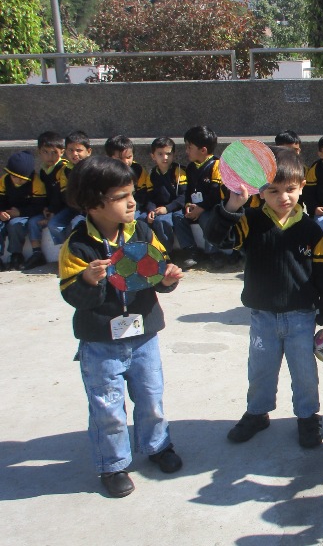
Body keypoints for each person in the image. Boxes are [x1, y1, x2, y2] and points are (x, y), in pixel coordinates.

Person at [58, 156, 185, 498]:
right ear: (93, 203)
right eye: (121, 196)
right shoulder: (78, 245)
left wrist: (168, 279)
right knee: (108, 407)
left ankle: (157, 446)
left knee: (151, 397)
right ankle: (113, 465)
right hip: (100, 342)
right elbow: (71, 294)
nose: (132, 202)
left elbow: (159, 270)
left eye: (132, 193)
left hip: (143, 337)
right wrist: (88, 280)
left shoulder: (141, 232)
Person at [206, 147, 323, 448]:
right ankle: (257, 413)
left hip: (301, 317)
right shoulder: (250, 221)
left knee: (304, 373)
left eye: (290, 189)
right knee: (260, 370)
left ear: (302, 187)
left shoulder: (311, 230)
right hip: (263, 317)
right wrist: (232, 206)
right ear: (261, 191)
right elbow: (218, 238)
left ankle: (308, 416)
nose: (283, 197)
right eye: (273, 191)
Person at [172, 126, 225, 269]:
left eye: (189, 147)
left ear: (203, 150)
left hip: (209, 207)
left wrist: (201, 208)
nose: (186, 151)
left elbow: (215, 193)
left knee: (207, 218)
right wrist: (188, 205)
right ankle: (191, 250)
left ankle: (214, 252)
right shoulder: (190, 168)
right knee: (178, 217)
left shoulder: (217, 165)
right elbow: (188, 190)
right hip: (195, 206)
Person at [24, 131, 69, 269]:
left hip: (65, 207)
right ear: (39, 152)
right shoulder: (43, 170)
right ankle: (37, 253)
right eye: (45, 152)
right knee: (33, 222)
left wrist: (52, 212)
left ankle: (67, 254)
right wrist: (46, 209)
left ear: (62, 152)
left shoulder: (63, 169)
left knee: (55, 224)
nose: (50, 156)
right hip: (50, 208)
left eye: (54, 152)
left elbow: (60, 196)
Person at [0, 151, 45, 271]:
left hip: (27, 213)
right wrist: (1, 212)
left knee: (15, 225)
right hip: (8, 213)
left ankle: (16, 254)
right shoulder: (4, 180)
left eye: (22, 179)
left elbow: (39, 206)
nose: (17, 181)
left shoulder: (36, 182)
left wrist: (20, 213)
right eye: (14, 177)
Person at [144, 137, 186, 253]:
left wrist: (167, 208)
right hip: (160, 208)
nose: (165, 157)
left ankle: (174, 252)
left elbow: (184, 195)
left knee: (166, 220)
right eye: (160, 154)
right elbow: (149, 197)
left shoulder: (179, 171)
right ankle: (158, 252)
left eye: (168, 154)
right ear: (153, 156)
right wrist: (151, 210)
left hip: (176, 207)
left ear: (174, 155)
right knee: (146, 220)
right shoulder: (151, 174)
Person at [104, 135, 148, 215]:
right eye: (120, 158)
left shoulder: (138, 170)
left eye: (129, 157)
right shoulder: (104, 172)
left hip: (134, 206)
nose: (125, 162)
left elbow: (142, 193)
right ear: (109, 157)